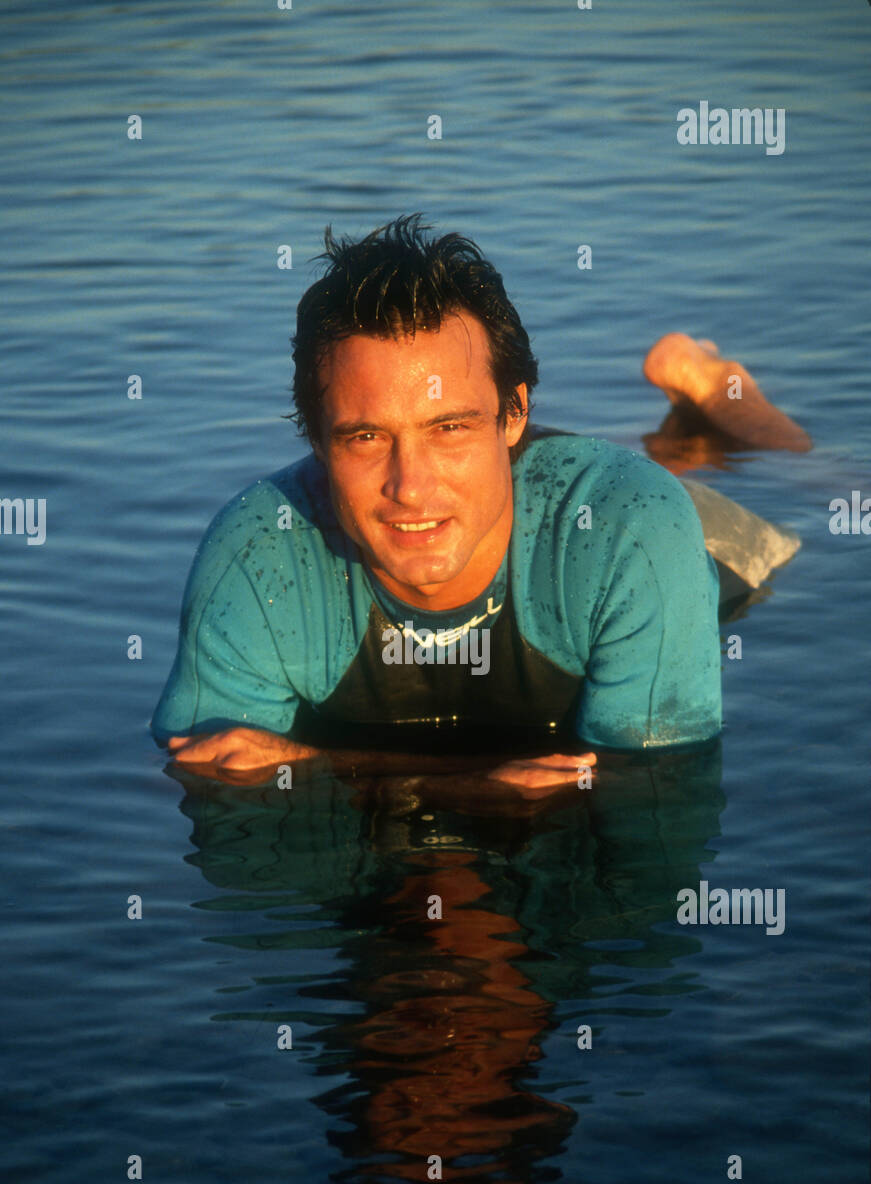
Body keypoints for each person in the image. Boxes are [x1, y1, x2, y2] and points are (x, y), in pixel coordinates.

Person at [152, 215, 808, 797]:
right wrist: (470, 787)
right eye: (366, 437)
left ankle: (721, 391)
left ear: (514, 412)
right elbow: (212, 780)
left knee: (809, 482)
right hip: (538, 506)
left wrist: (331, 767)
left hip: (707, 546)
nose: (409, 486)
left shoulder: (634, 533)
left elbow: (657, 787)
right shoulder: (257, 553)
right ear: (315, 440)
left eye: (450, 427)